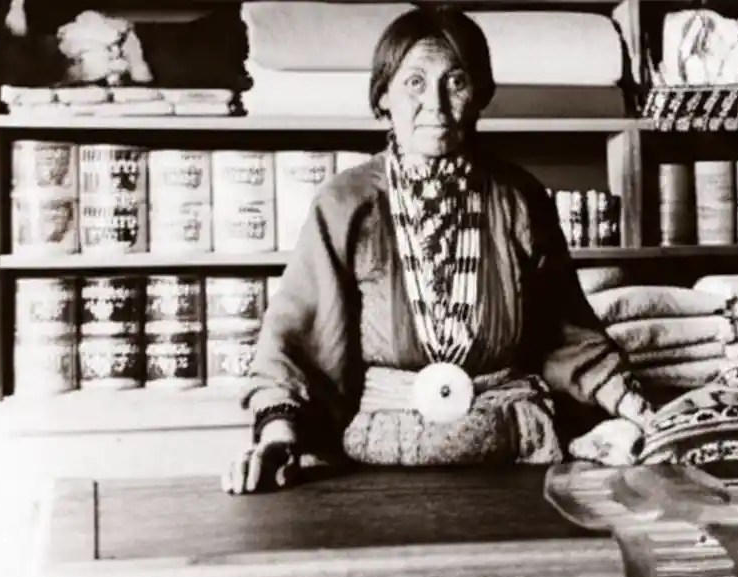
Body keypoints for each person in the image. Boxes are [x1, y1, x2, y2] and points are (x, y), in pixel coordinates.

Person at [224, 7, 653, 494]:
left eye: (456, 82)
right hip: (379, 469)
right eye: (414, 83)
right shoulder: (346, 203)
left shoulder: (518, 198)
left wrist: (640, 409)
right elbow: (294, 338)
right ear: (383, 95)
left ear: (480, 96)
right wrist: (277, 438)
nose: (436, 104)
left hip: (517, 455)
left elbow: (566, 332)